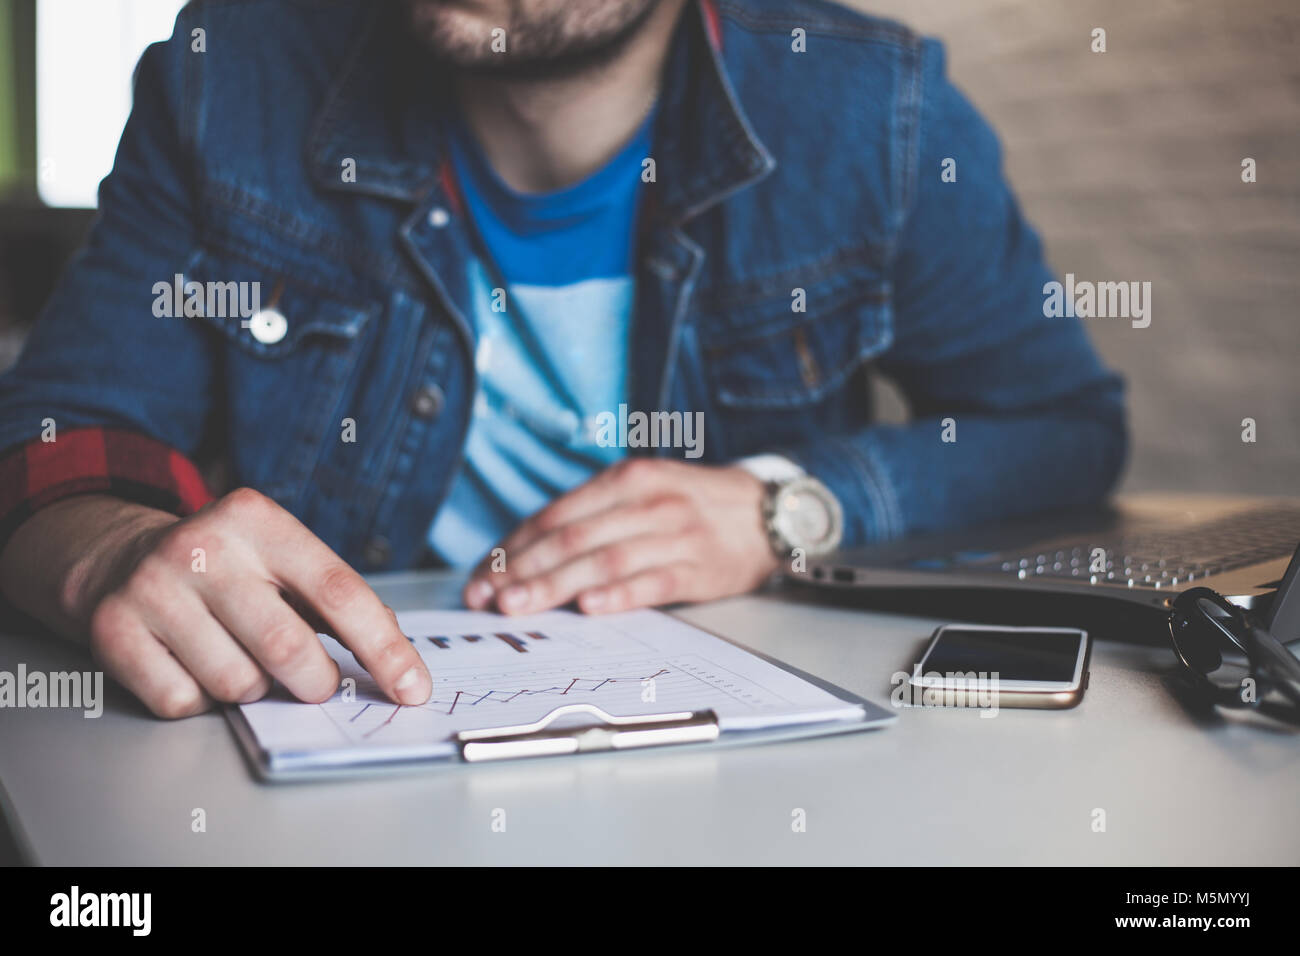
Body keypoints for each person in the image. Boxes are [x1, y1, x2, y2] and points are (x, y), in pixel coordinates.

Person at [0, 0, 1127, 718]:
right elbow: (51, 434)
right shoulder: (227, 72)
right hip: (321, 753)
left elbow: (1062, 426)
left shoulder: (875, 113)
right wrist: (112, 550)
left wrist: (792, 507)